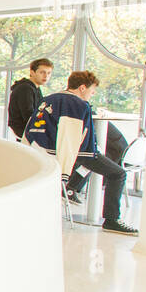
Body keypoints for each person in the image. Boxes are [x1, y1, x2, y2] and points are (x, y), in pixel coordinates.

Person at [24, 70, 138, 235]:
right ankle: (112, 219)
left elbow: (30, 127)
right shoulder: (76, 104)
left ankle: (72, 189)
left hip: (43, 150)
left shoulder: (49, 99)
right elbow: (69, 136)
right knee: (118, 174)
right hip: (76, 153)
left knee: (92, 164)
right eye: (92, 90)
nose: (92, 94)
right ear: (83, 88)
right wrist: (64, 171)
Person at [8, 58, 53, 139]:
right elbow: (28, 115)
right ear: (32, 72)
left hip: (30, 129)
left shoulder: (35, 87)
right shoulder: (25, 88)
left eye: (49, 73)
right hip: (25, 130)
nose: (46, 76)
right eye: (42, 72)